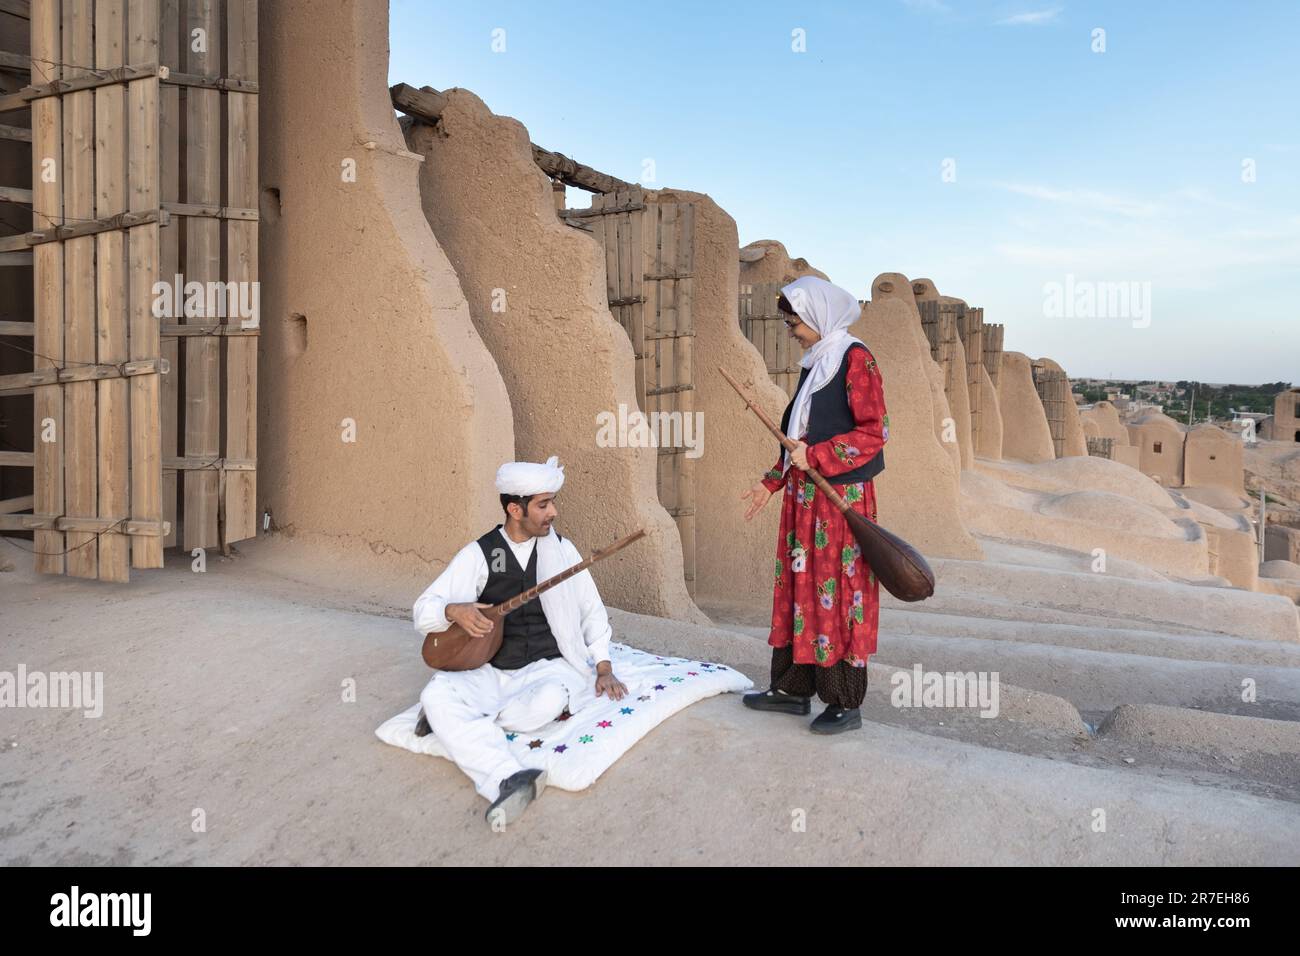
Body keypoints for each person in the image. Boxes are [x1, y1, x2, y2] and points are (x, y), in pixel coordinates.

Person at [412, 455, 628, 827]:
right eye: (544, 505)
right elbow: (423, 609)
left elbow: (591, 611)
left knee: (545, 705)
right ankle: (506, 778)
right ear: (515, 509)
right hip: (494, 667)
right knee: (435, 695)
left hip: (548, 667)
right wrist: (454, 611)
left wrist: (604, 667)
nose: (553, 512)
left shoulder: (562, 550)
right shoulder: (482, 553)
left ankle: (461, 721)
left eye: (552, 503)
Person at [740, 276, 889, 734]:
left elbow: (874, 432)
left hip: (839, 503)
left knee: (838, 596)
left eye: (795, 320)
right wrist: (772, 482)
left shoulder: (855, 359)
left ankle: (844, 702)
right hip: (806, 500)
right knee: (799, 590)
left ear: (819, 316)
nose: (791, 329)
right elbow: (797, 438)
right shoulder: (817, 363)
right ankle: (792, 689)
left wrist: (819, 456)